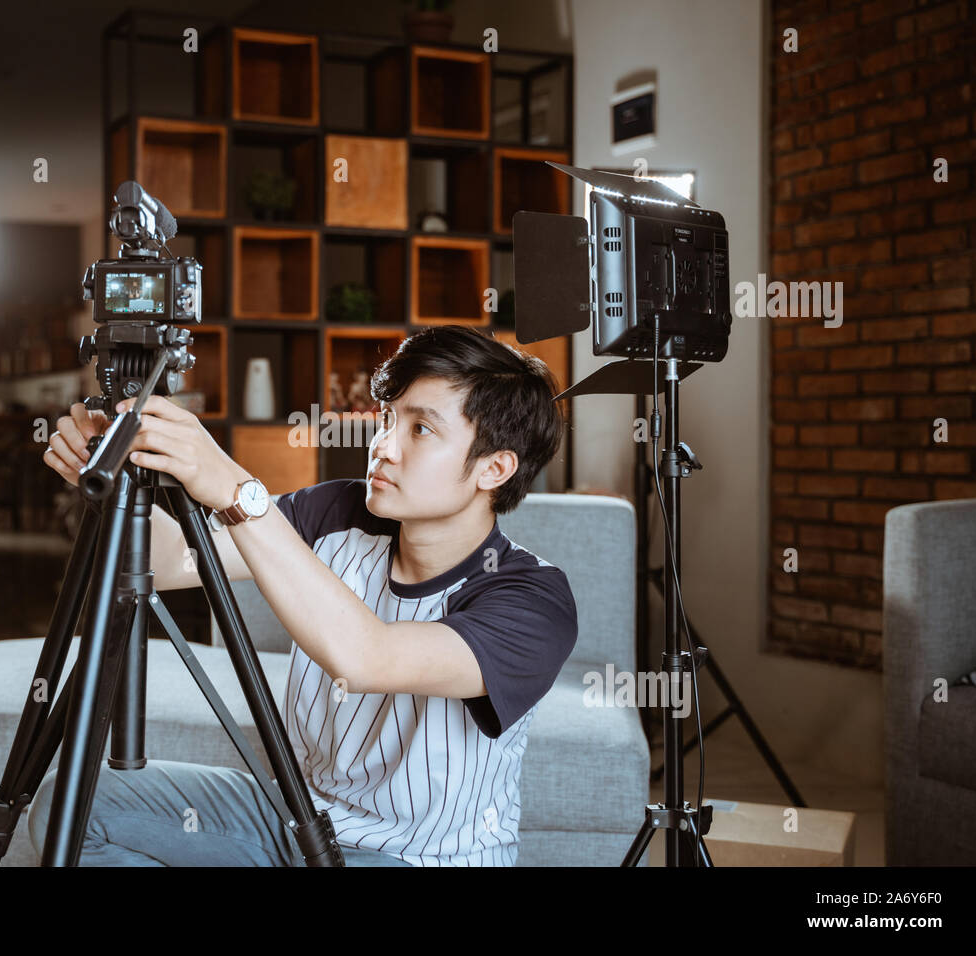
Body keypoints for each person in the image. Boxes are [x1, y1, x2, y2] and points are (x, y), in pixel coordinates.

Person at [31, 325, 578, 866]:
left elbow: (368, 657)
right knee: (67, 805)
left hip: (418, 859)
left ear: (494, 468)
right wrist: (104, 475)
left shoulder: (533, 599)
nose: (382, 446)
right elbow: (170, 561)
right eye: (388, 419)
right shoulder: (338, 512)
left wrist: (231, 485)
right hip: (295, 817)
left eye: (421, 431)